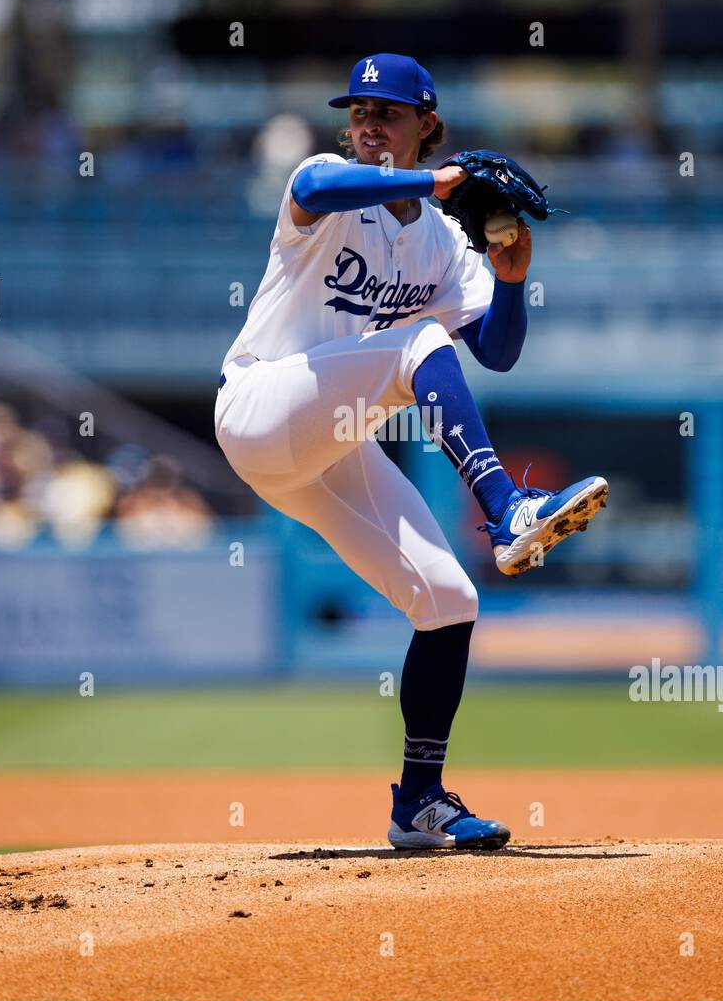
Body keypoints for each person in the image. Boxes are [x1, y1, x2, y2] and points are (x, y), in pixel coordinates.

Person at [215, 53, 607, 850]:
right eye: (359, 110)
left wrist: (507, 282)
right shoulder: (332, 180)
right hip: (258, 408)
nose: (367, 124)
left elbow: (495, 354)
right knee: (416, 341)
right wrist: (437, 183)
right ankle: (507, 511)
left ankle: (419, 805)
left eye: (387, 113)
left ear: (426, 125)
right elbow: (311, 192)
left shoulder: (439, 245)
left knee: (448, 601)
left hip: (326, 448)